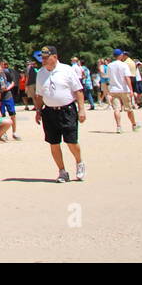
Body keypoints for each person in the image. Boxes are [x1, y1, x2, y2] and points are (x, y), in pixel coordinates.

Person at [35, 45, 86, 182]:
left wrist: (81, 109)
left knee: (71, 141)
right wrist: (38, 110)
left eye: (46, 57)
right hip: (49, 112)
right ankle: (62, 171)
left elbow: (78, 91)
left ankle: (79, 162)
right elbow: (39, 94)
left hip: (67, 110)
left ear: (55, 57)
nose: (43, 60)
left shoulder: (67, 70)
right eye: (42, 58)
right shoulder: (41, 73)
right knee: (54, 143)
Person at [106, 49, 141, 133]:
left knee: (117, 109)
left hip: (114, 89)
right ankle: (134, 125)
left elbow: (109, 77)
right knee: (129, 109)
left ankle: (118, 126)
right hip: (124, 89)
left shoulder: (110, 65)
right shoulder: (124, 65)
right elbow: (127, 78)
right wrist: (131, 90)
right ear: (121, 55)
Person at [0, 61, 20, 140]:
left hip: (8, 96)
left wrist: (8, 88)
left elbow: (13, 82)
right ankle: (3, 133)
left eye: (0, 66)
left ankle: (14, 132)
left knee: (13, 114)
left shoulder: (7, 72)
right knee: (2, 115)